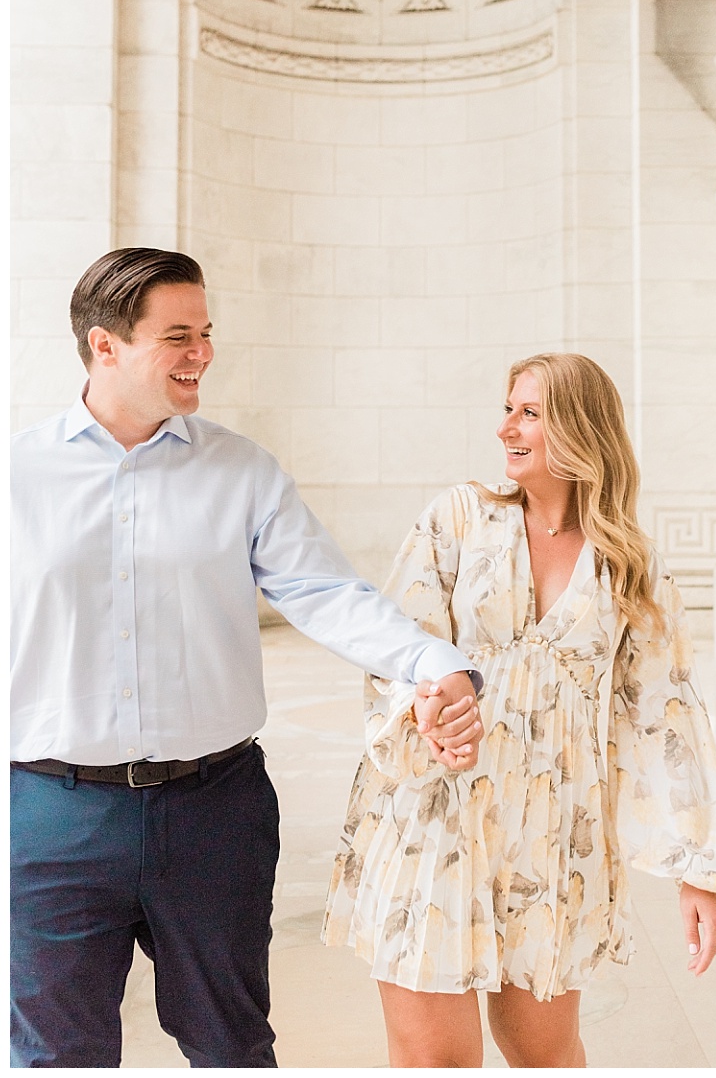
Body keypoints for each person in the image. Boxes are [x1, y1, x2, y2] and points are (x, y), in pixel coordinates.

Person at [10, 248, 486, 1067]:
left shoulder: (240, 470)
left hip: (213, 813)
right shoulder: (16, 476)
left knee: (232, 1044)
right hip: (50, 817)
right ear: (105, 346)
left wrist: (434, 664)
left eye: (206, 331)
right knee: (56, 1055)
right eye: (179, 335)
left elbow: (326, 592)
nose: (203, 352)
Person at [322, 352, 716, 1067]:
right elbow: (393, 644)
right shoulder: (459, 518)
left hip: (555, 840)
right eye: (507, 407)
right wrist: (424, 706)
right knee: (436, 1059)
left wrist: (701, 868)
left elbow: (669, 715)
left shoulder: (629, 563)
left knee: (543, 1053)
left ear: (582, 429)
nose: (506, 428)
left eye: (529, 412)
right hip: (437, 817)